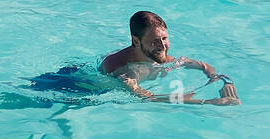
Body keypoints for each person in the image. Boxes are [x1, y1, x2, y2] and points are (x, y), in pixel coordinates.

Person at [99, 11, 240, 105]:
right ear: (136, 41)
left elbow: (204, 66)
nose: (163, 46)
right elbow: (150, 98)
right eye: (154, 41)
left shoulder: (163, 58)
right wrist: (207, 102)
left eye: (164, 38)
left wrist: (225, 81)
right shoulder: (124, 71)